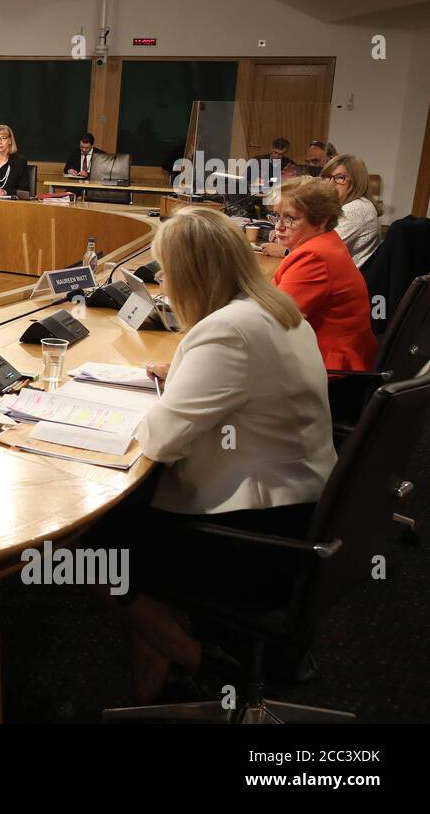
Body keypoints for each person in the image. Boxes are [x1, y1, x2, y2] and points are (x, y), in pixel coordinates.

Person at [89, 207, 336, 703]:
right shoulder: (276, 310)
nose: (163, 288)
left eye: (167, 273)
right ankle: (156, 676)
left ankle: (199, 659)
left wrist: (181, 380)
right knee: (128, 520)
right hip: (305, 514)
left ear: (190, 273)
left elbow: (159, 441)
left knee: (91, 549)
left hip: (256, 535)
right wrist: (184, 375)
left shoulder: (227, 331)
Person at [267, 177, 378, 372]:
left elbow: (275, 320)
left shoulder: (314, 257)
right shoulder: (324, 243)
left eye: (290, 218)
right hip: (329, 357)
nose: (279, 226)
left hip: (331, 370)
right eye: (277, 216)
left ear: (321, 221)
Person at [320, 154, 381, 267]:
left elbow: (321, 251)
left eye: (340, 177)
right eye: (327, 177)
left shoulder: (355, 209)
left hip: (344, 281)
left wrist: (285, 250)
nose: (330, 183)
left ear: (356, 181)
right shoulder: (347, 204)